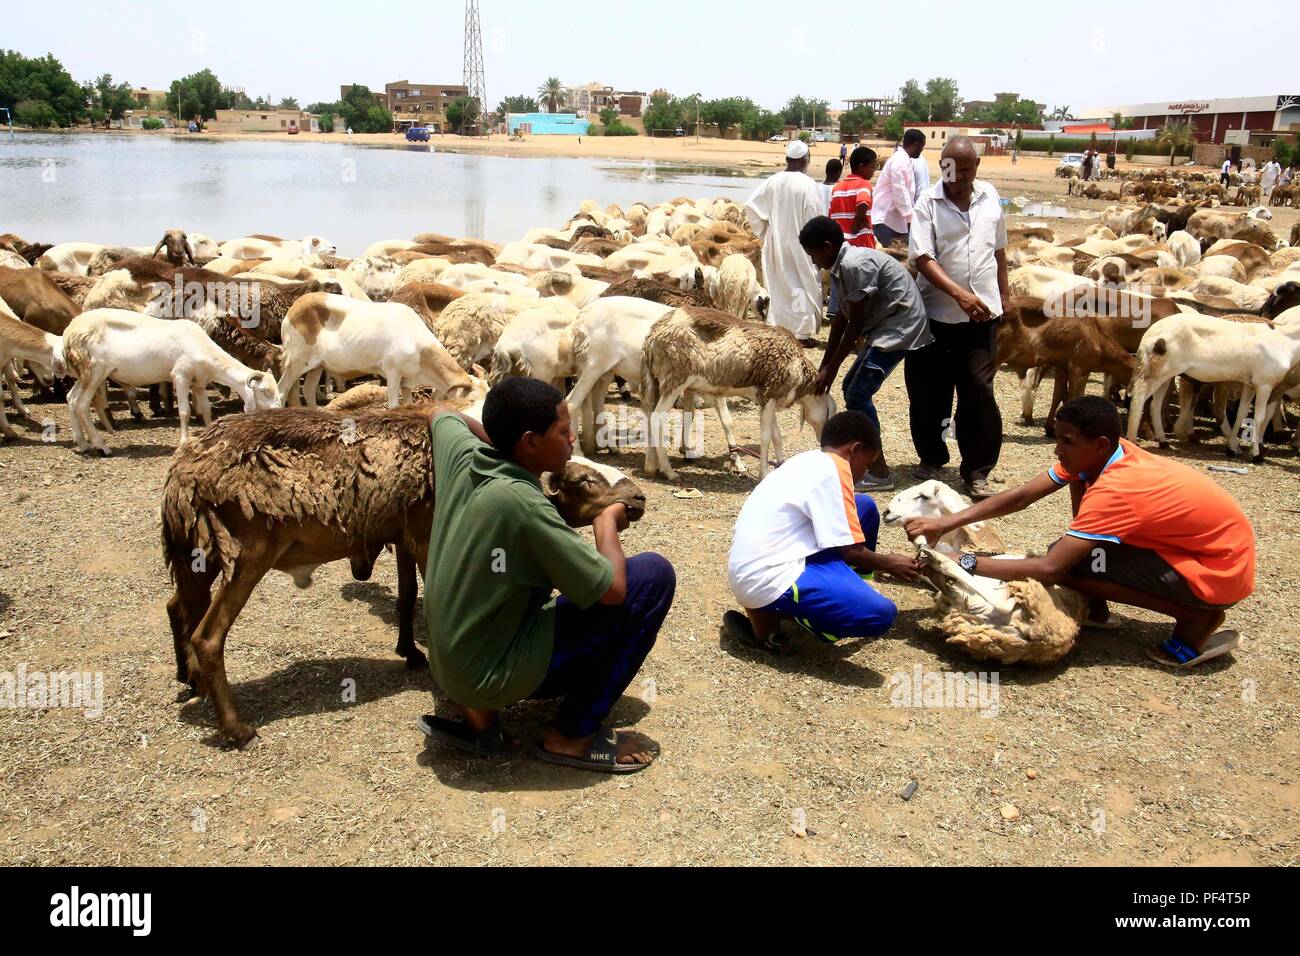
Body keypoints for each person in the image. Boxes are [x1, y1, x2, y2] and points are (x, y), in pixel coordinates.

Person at [420, 378, 676, 774]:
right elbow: (613, 590)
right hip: (485, 673)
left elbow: (441, 414)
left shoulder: (464, 455)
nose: (574, 437)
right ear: (529, 442)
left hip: (451, 660)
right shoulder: (523, 504)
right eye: (562, 431)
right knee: (653, 576)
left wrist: (501, 440)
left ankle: (479, 717)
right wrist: (605, 521)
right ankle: (571, 736)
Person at [904, 396, 1255, 669]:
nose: (1058, 450)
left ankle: (1196, 617)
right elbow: (1023, 495)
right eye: (1058, 439)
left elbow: (1049, 569)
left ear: (1099, 444)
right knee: (1075, 552)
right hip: (1203, 554)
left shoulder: (1118, 489)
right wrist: (945, 523)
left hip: (1217, 573)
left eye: (1067, 442)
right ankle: (1098, 613)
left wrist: (961, 561)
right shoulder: (1108, 456)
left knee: (1070, 566)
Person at [723, 411, 923, 654]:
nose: (864, 474)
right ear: (854, 450)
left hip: (755, 564)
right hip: (767, 577)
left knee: (865, 508)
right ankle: (776, 627)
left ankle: (840, 589)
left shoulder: (809, 459)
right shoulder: (836, 470)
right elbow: (852, 552)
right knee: (881, 614)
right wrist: (889, 563)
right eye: (867, 465)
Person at [907, 136, 1010, 500]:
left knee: (978, 392)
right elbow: (922, 259)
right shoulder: (927, 204)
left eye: (967, 169)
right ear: (943, 167)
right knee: (929, 394)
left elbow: (998, 251)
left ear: (976, 168)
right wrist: (959, 294)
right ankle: (932, 457)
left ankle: (977, 470)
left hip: (982, 319)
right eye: (953, 168)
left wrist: (1005, 297)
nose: (960, 176)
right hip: (935, 317)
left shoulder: (990, 197)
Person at [800, 215, 932, 491]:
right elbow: (839, 319)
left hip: (901, 326)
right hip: (885, 325)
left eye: (813, 255)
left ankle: (880, 472)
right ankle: (871, 464)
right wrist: (824, 367)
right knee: (851, 388)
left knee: (858, 393)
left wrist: (832, 368)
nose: (814, 261)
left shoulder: (854, 265)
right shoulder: (840, 266)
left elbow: (854, 323)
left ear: (827, 247)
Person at [745, 140, 827, 346]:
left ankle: (778, 327)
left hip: (777, 243)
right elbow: (815, 216)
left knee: (779, 283)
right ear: (806, 160)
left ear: (788, 159)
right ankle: (801, 334)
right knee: (803, 283)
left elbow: (752, 209)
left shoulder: (772, 181)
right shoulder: (808, 184)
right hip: (803, 244)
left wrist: (766, 233)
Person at [873, 128, 925, 247]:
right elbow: (900, 192)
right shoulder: (899, 161)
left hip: (895, 221)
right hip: (886, 220)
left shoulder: (905, 160)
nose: (922, 150)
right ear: (915, 144)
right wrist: (911, 219)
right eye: (922, 146)